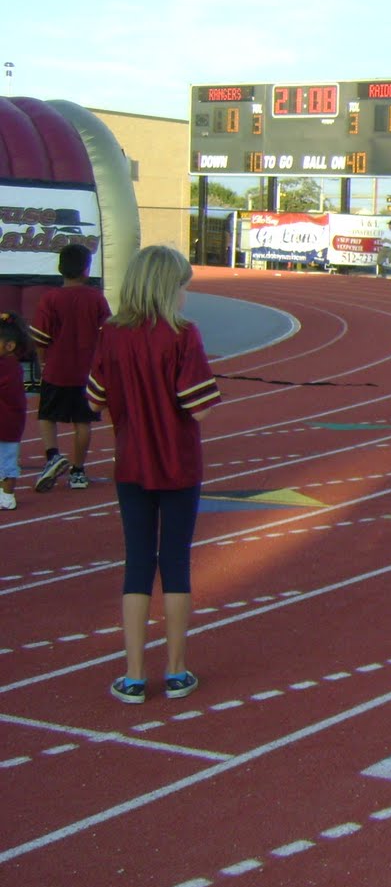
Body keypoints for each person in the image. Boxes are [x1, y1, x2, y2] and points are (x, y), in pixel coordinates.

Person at [86, 245, 222, 704]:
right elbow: (199, 408)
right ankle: (178, 671)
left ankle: (134, 674)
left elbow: (93, 400)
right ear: (169, 287)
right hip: (179, 465)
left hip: (130, 463)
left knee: (137, 563)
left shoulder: (111, 334)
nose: (186, 294)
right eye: (183, 285)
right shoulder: (185, 335)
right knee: (176, 562)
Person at [30, 243, 110, 492]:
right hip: (86, 372)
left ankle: (53, 455)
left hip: (56, 367)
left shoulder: (50, 299)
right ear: (86, 270)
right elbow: (108, 332)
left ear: (60, 268)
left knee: (46, 415)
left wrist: (42, 362)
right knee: (82, 422)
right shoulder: (96, 298)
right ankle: (78, 470)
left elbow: (41, 338)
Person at [0, 312, 25, 511]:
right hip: (8, 420)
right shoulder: (11, 365)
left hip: (6, 421)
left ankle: (7, 494)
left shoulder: (8, 366)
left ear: (9, 346)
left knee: (7, 458)